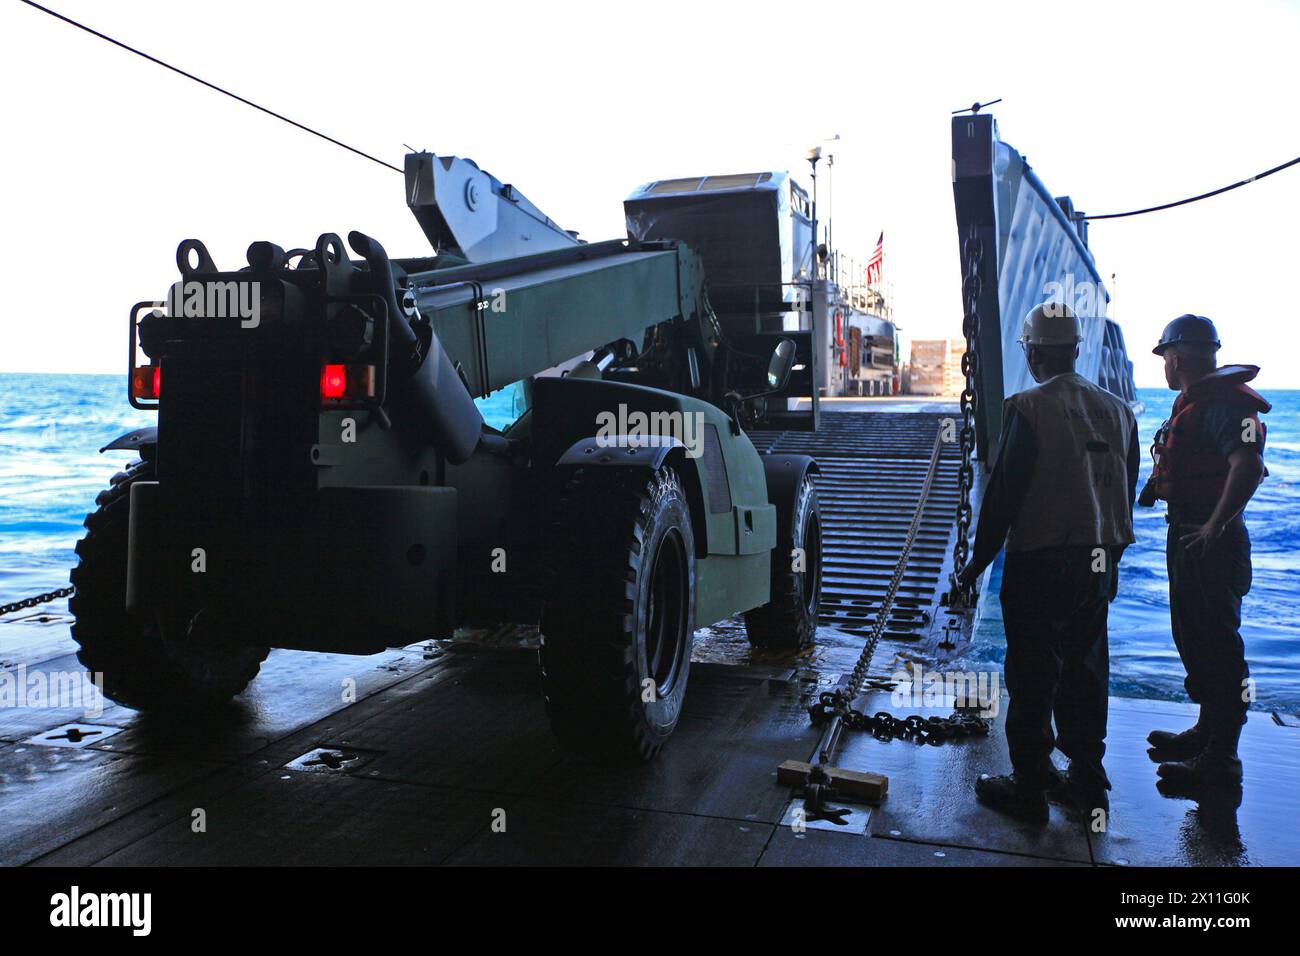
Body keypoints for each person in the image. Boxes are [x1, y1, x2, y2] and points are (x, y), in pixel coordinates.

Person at [956, 303, 1138, 823]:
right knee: (1085, 667)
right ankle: (1086, 777)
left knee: (1034, 670)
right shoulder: (1119, 410)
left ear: (1033, 352)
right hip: (1098, 562)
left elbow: (1004, 497)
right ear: (1075, 350)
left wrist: (975, 565)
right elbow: (1121, 493)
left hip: (1041, 561)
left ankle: (1030, 785)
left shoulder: (1030, 409)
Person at [1139, 314, 1268, 790]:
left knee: (1218, 645)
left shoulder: (1225, 404)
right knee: (1194, 636)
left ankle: (1221, 761)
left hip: (1211, 541)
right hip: (1192, 535)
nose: (1164, 369)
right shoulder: (1200, 402)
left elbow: (1249, 464)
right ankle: (1206, 733)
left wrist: (1216, 524)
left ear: (1176, 357)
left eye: (1164, 359)